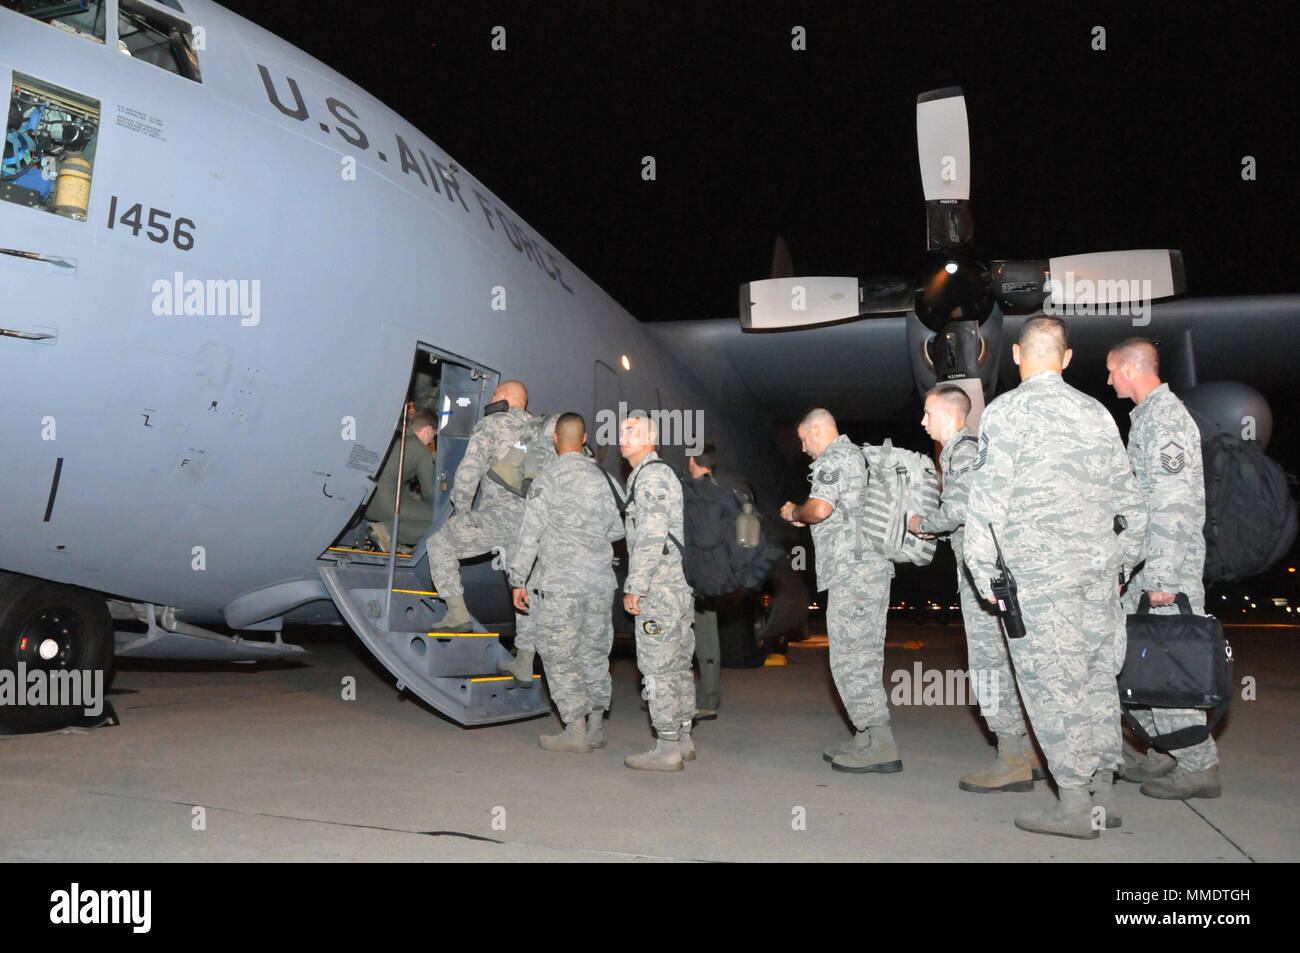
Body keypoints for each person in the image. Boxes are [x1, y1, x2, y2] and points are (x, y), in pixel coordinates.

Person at [964, 316, 1147, 838]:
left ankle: (1072, 805)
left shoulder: (1006, 413)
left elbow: (986, 507)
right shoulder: (1097, 414)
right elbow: (1133, 506)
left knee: (1052, 685)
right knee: (1095, 679)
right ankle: (1102, 796)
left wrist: (985, 581)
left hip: (1038, 583)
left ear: (1017, 356)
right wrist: (1120, 566)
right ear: (1066, 359)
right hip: (1095, 576)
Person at [907, 385, 1041, 792]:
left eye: (929, 413)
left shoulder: (963, 452)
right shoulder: (966, 452)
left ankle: (1012, 759)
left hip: (982, 575)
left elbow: (960, 508)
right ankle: (1029, 753)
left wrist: (923, 524)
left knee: (988, 666)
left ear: (950, 415)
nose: (923, 421)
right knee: (1005, 659)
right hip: (991, 570)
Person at [1106, 337, 1221, 799]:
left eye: (1113, 370)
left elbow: (1174, 505)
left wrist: (1165, 579)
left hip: (1164, 571)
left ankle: (1198, 764)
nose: (1110, 379)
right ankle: (1165, 749)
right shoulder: (1148, 418)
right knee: (1144, 663)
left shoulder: (1167, 418)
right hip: (1147, 568)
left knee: (1171, 665)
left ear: (1132, 369)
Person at [782, 409, 900, 773]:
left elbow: (819, 508)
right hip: (863, 570)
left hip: (855, 573)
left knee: (853, 658)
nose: (803, 447)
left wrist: (793, 513)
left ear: (818, 429)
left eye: (804, 438)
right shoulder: (857, 456)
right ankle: (864, 736)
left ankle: (880, 742)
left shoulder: (836, 458)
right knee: (856, 654)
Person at [507, 413, 625, 753]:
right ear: (584, 437)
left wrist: (518, 580)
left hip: (561, 585)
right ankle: (597, 727)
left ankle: (575, 729)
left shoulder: (547, 479)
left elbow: (529, 536)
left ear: (556, 440)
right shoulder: (604, 478)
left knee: (559, 654)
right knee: (595, 653)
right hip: (600, 585)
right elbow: (618, 528)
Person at [427, 382, 536, 682]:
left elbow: (467, 473)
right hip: (535, 526)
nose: (490, 399)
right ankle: (525, 661)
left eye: (493, 395)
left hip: (498, 518)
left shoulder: (492, 423)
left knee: (440, 543)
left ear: (502, 398)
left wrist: (463, 513)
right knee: (523, 590)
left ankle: (458, 614)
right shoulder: (540, 431)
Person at [620, 413, 696, 771]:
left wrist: (636, 585)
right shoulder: (657, 474)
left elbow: (651, 535)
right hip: (676, 588)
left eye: (632, 431)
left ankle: (667, 748)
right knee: (678, 665)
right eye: (622, 431)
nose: (624, 437)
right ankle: (683, 738)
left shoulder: (651, 475)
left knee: (657, 668)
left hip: (660, 590)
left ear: (651, 438)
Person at [365, 410, 437, 549]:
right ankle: (386, 532)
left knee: (419, 512)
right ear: (427, 430)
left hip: (367, 505)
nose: (431, 442)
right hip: (386, 506)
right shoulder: (421, 451)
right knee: (441, 519)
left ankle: (393, 542)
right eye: (433, 436)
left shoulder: (393, 439)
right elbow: (429, 492)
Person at [687, 442, 722, 720]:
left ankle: (708, 700)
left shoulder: (697, 493)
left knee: (704, 640)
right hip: (709, 575)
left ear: (692, 460)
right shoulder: (719, 491)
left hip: (697, 577)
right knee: (704, 638)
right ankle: (702, 697)